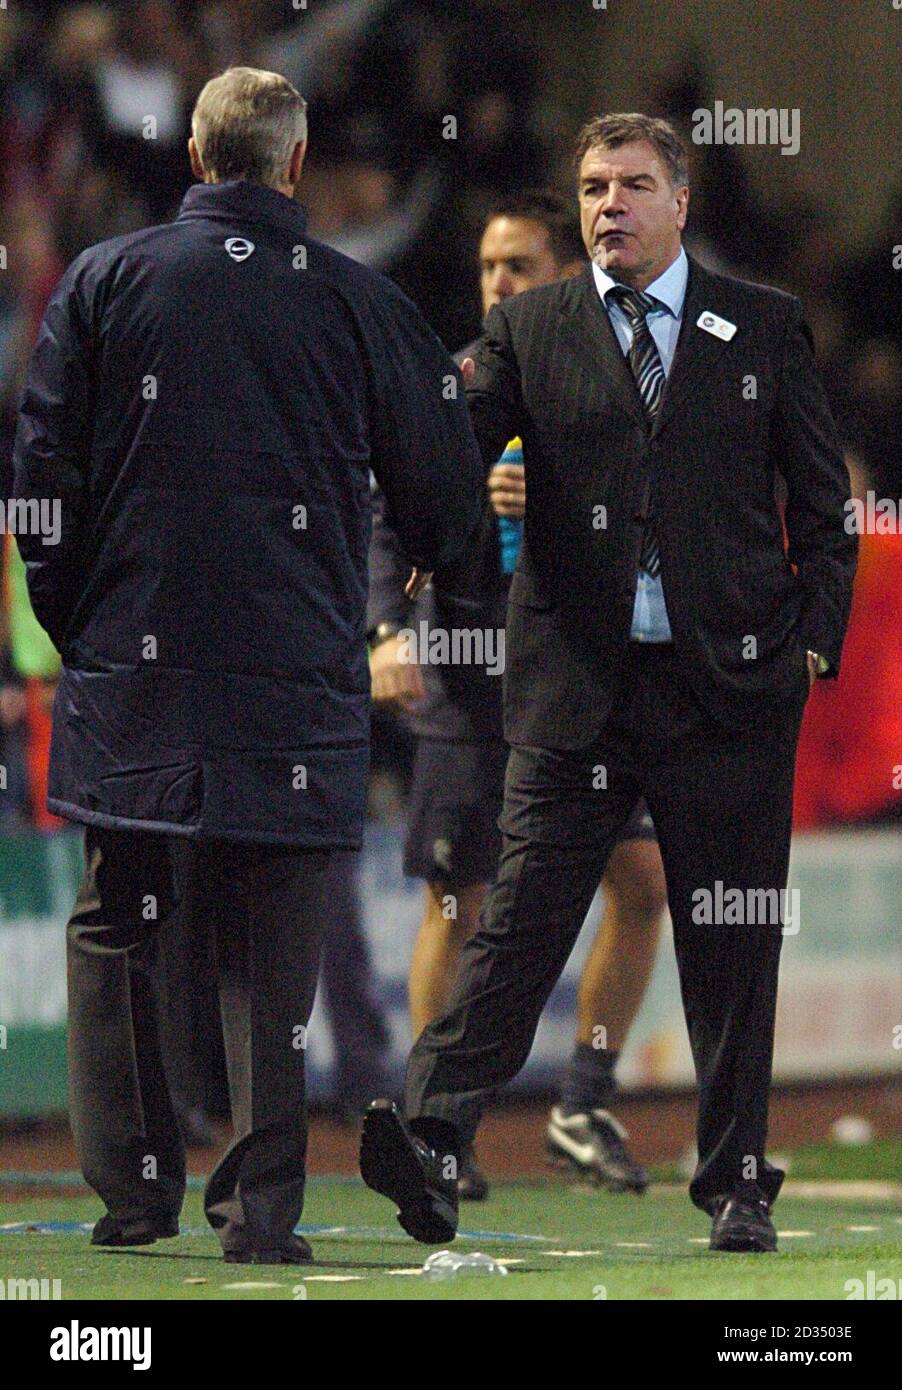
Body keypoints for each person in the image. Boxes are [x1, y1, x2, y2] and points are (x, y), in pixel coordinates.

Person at [360, 113, 857, 1254]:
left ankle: (734, 1179)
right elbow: (443, 465)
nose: (607, 207)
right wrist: (435, 509)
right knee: (521, 925)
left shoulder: (764, 327)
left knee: (728, 940)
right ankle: (432, 1139)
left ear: (680, 202)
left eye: (632, 185)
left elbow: (823, 514)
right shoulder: (529, 328)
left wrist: (809, 650)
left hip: (726, 690)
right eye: (590, 187)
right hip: (575, 687)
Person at [12, 65, 484, 1265]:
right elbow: (442, 474)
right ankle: (259, 1212)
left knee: (119, 920)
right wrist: (418, 576)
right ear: (294, 161)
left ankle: (131, 1195)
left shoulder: (105, 281)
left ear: (193, 156)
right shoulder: (357, 300)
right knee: (270, 949)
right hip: (295, 668)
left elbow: (41, 482)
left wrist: (84, 630)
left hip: (136, 668)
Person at [368, 191, 665, 1199]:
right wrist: (383, 630)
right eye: (490, 265)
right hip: (469, 682)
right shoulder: (457, 379)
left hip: (583, 676)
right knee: (461, 902)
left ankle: (581, 1104)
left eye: (519, 264)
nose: (499, 281)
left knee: (643, 886)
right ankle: (432, 1121)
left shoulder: (613, 372)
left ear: (563, 273)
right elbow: (388, 506)